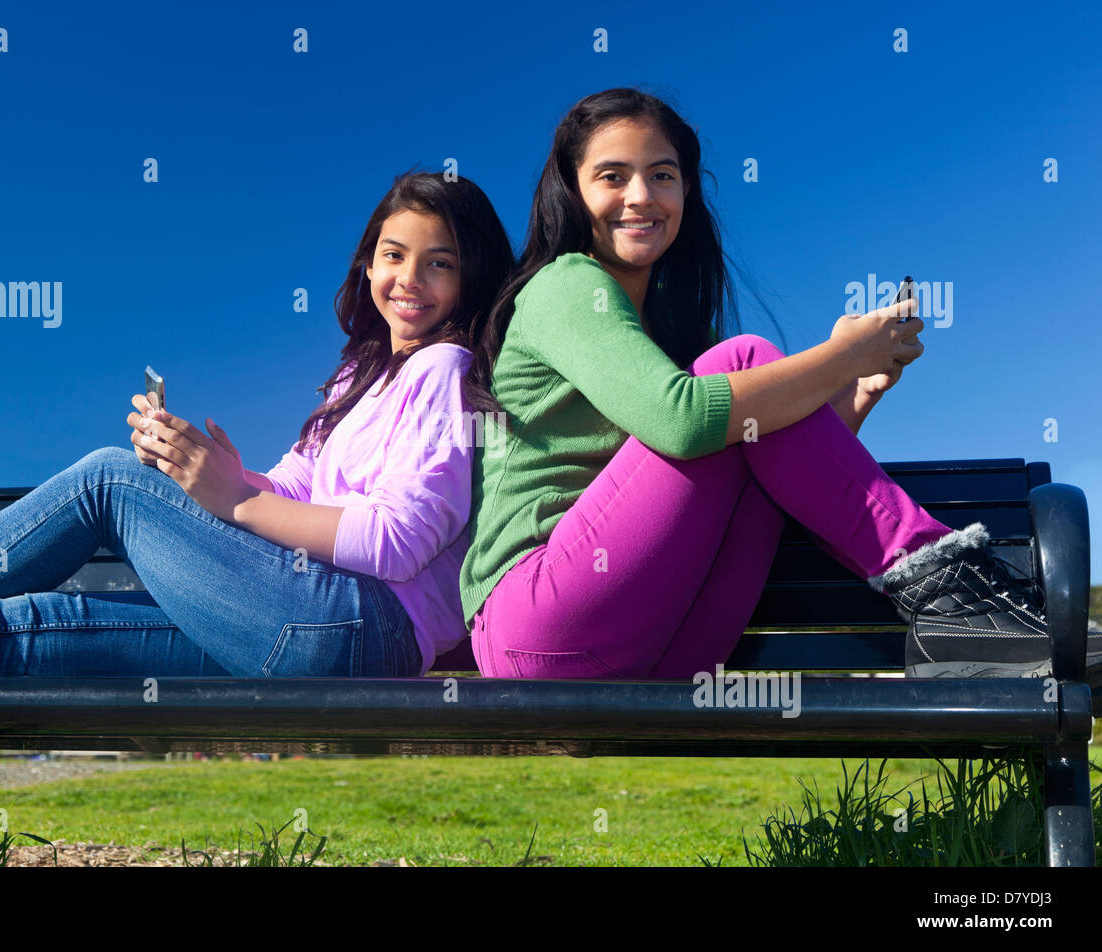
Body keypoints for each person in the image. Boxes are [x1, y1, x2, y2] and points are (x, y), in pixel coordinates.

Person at [459, 87, 1100, 682]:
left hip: (664, 640)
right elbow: (680, 419)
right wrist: (839, 354)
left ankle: (968, 626)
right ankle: (954, 597)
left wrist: (853, 392)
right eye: (612, 176)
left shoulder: (661, 332)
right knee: (742, 363)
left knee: (748, 412)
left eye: (663, 175)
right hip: (540, 618)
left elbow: (764, 463)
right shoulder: (566, 285)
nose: (641, 196)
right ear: (572, 192)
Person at [0, 171, 514, 678]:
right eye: (393, 255)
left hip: (361, 625)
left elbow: (395, 543)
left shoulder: (441, 371)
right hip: (303, 619)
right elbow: (295, 488)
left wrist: (235, 498)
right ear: (367, 265)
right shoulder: (360, 378)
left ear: (469, 279)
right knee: (55, 623)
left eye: (438, 264)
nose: (408, 279)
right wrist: (209, 470)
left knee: (106, 482)